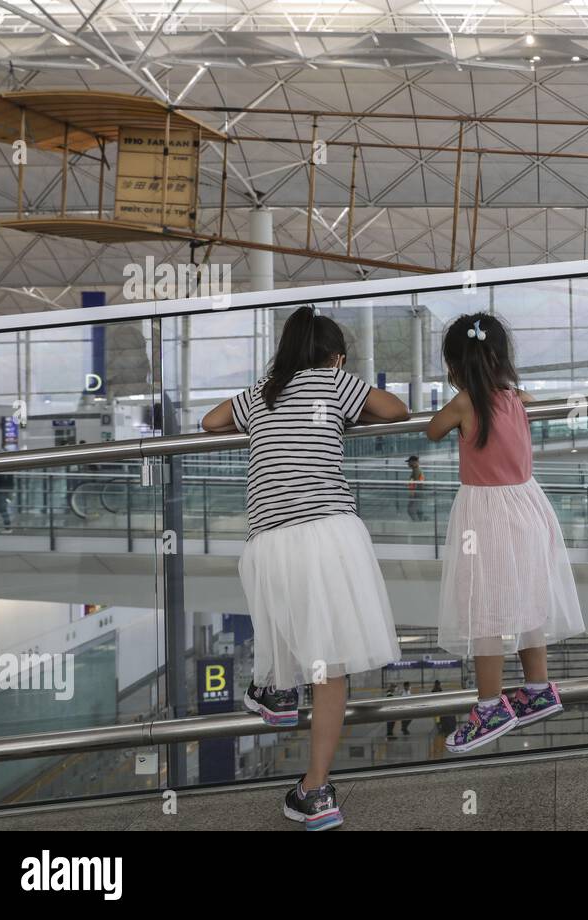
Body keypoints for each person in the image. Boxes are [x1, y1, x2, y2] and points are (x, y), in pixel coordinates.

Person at [202, 305, 410, 831]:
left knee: (288, 620)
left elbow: (209, 422)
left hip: (270, 541)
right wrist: (345, 395)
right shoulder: (334, 383)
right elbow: (397, 410)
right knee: (332, 663)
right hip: (332, 534)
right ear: (335, 357)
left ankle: (275, 689)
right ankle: (314, 791)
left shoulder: (263, 393)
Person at [427, 313, 584, 754]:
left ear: (455, 365)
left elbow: (432, 429)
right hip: (530, 506)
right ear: (503, 359)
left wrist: (458, 402)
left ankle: (491, 707)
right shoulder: (518, 397)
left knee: (484, 607)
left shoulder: (462, 404)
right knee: (529, 596)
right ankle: (537, 688)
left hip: (484, 513)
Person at [406, 455, 425, 522]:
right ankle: (419, 521)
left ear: (414, 462)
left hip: (416, 494)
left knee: (410, 510)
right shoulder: (416, 470)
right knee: (416, 509)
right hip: (417, 494)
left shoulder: (416, 471)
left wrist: (413, 494)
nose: (408, 464)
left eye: (409, 462)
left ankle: (417, 523)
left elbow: (417, 484)